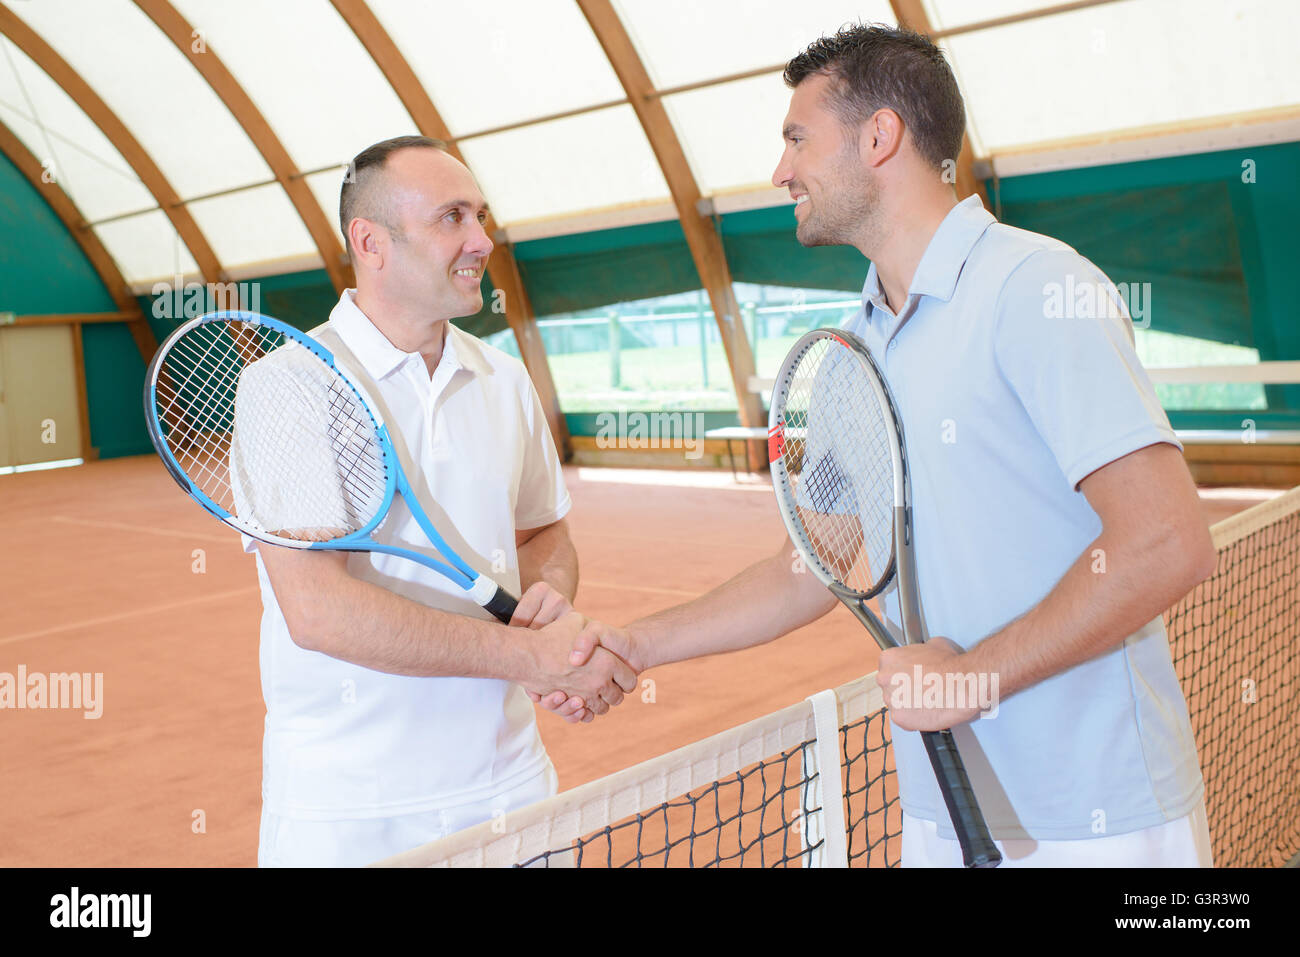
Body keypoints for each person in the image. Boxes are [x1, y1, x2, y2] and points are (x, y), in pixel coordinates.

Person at [546, 25, 1218, 867]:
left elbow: (1166, 540)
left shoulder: (1037, 288)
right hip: (943, 817)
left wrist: (971, 678)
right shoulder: (851, 353)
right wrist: (638, 645)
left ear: (879, 136)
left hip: (1099, 820)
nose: (779, 170)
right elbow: (817, 564)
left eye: (796, 138)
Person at [245, 135, 636, 866]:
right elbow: (320, 610)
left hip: (508, 787)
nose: (482, 240)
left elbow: (544, 531)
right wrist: (525, 654)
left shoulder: (505, 378)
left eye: (482, 216)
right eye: (452, 217)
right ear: (372, 242)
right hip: (347, 812)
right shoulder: (289, 386)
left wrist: (547, 599)